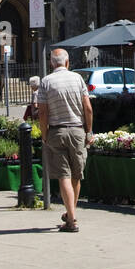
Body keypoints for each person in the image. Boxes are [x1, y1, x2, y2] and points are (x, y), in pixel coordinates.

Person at [34, 49, 92, 232]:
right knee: (76, 175)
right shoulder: (77, 79)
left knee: (64, 176)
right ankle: (71, 216)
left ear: (52, 63)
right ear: (67, 63)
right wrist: (89, 131)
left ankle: (71, 218)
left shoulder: (46, 82)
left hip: (57, 132)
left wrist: (44, 134)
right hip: (77, 131)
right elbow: (88, 108)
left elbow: (42, 112)